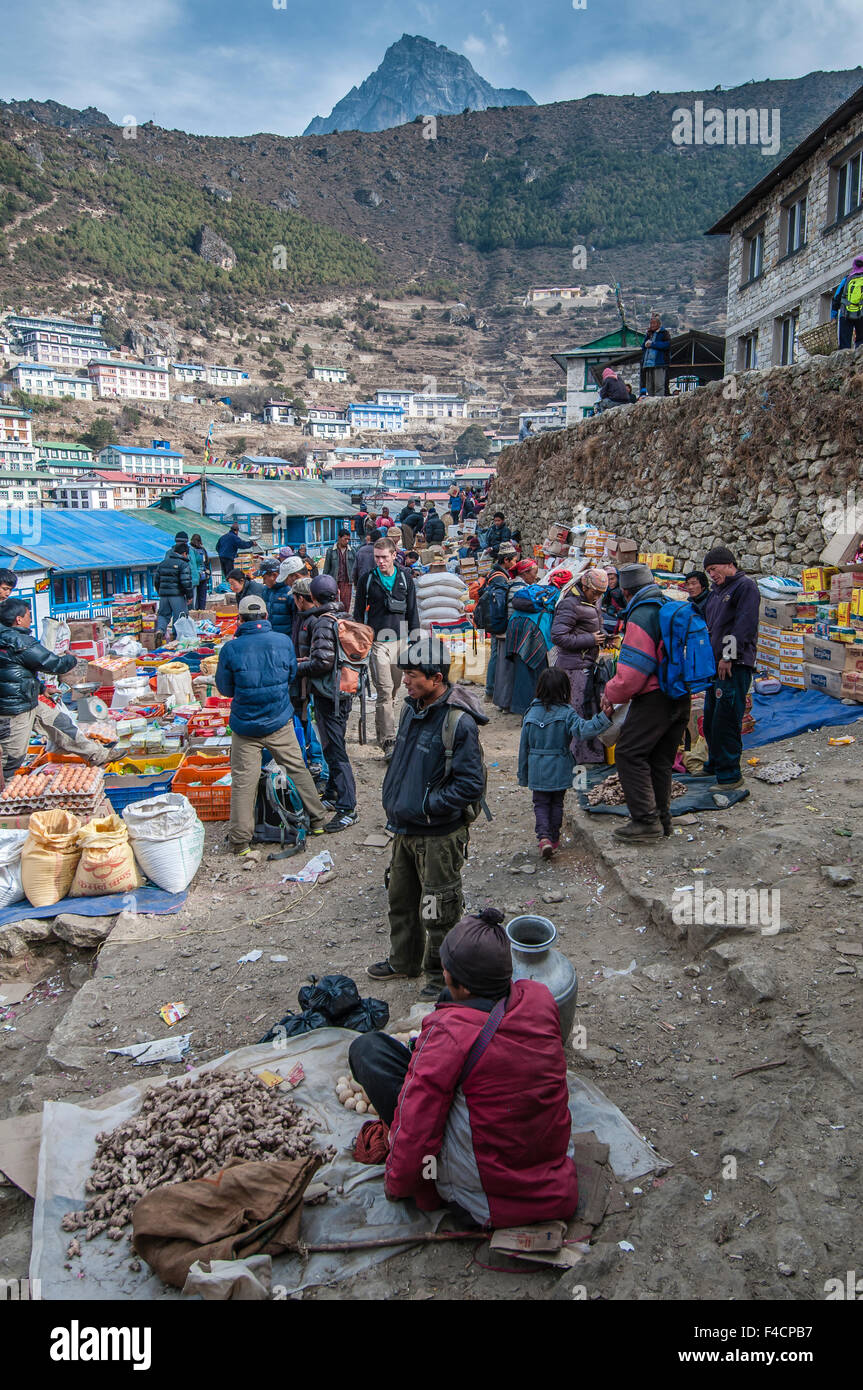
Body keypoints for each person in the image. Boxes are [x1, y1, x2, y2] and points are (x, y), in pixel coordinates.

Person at [349, 907, 578, 1226]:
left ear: (465, 986)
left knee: (368, 1050)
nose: (443, 973)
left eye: (446, 968)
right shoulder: (540, 997)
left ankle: (443, 1185)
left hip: (487, 1201)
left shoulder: (449, 1035)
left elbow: (417, 1129)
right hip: (556, 1182)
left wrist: (400, 1184)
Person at [367, 635, 487, 999]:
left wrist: (426, 805)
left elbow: (470, 785)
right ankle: (403, 961)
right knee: (401, 900)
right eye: (405, 673)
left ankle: (439, 978)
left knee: (438, 910)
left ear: (437, 679)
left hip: (438, 835)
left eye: (413, 675)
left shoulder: (457, 723)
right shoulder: (411, 708)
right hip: (405, 828)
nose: (405, 680)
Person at [215, 595, 327, 853]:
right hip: (279, 720)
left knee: (244, 781)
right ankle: (318, 820)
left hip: (245, 726)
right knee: (297, 768)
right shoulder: (282, 641)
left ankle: (241, 840)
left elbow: (225, 689)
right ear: (266, 617)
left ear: (239, 620)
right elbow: (290, 674)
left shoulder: (231, 649)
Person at [600, 562, 690, 842]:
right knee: (660, 760)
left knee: (629, 753)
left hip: (654, 698)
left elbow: (633, 673)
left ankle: (645, 821)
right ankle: (663, 819)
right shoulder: (668, 605)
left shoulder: (642, 614)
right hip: (680, 694)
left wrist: (610, 693)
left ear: (625, 591)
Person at [0, 599, 112, 776]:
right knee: (12, 757)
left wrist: (40, 687)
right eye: (29, 614)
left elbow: (15, 672)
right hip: (14, 708)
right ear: (18, 619)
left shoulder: (8, 639)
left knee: (61, 723)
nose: (31, 619)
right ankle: (5, 790)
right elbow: (54, 664)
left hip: (27, 699)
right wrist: (72, 658)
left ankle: (99, 755)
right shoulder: (17, 641)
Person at [518, 667, 611, 859]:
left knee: (541, 803)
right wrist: (604, 717)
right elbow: (584, 731)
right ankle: (554, 838)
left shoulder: (530, 714)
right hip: (559, 765)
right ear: (564, 689)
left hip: (537, 767)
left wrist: (523, 775)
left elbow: (523, 748)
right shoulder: (567, 713)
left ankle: (543, 837)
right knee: (556, 803)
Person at [296, 574, 359, 832]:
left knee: (335, 749)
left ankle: (348, 807)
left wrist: (299, 667)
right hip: (345, 690)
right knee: (333, 742)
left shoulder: (323, 622)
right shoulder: (347, 617)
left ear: (312, 597)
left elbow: (322, 662)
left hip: (329, 694)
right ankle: (333, 793)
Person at [353, 537, 420, 758]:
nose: (380, 561)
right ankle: (389, 740)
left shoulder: (405, 577)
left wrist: (415, 640)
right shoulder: (367, 580)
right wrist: (360, 641)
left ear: (394, 555)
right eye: (377, 557)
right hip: (378, 642)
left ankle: (383, 730)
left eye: (384, 557)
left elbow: (412, 610)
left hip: (400, 641)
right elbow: (358, 611)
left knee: (393, 691)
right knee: (384, 689)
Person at [702, 546, 759, 793]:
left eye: (713, 569)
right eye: (708, 572)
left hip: (733, 665)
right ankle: (714, 764)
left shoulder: (745, 587)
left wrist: (728, 656)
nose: (711, 575)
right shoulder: (717, 592)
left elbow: (743, 625)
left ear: (728, 564)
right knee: (711, 718)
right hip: (716, 666)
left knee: (726, 720)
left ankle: (730, 776)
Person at [549, 567, 609, 764]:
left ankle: (587, 754)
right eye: (595, 592)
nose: (598, 597)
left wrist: (603, 638)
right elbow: (558, 636)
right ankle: (574, 755)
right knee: (575, 711)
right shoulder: (569, 605)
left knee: (585, 708)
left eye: (601, 594)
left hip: (585, 663)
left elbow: (592, 626)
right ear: (585, 586)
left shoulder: (591, 601)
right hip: (572, 666)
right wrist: (590, 639)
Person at [154, 537, 193, 638]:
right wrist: (189, 596)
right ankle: (177, 637)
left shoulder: (162, 564)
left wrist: (160, 592)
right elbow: (186, 582)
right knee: (179, 616)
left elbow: (156, 581)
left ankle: (160, 630)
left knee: (163, 614)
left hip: (163, 596)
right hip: (177, 595)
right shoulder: (183, 564)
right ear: (184, 553)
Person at [262, 556, 303, 638]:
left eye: (265, 578)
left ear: (274, 575)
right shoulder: (265, 590)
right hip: (270, 636)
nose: (263, 582)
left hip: (287, 637)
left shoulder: (289, 592)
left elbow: (297, 619)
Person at [831, 253, 863, 351]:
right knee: (861, 341)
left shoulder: (847, 279)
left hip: (845, 314)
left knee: (844, 344)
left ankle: (845, 362)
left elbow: (836, 298)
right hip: (861, 313)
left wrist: (833, 316)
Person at [323, 529, 357, 612]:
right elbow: (326, 568)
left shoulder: (352, 551)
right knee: (334, 603)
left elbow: (355, 567)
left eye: (348, 539)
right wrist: (324, 581)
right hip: (334, 581)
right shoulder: (331, 551)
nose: (347, 541)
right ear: (339, 537)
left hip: (347, 581)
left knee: (346, 604)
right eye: (345, 539)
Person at [641, 314, 671, 396]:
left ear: (659, 324)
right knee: (649, 386)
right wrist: (646, 343)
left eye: (654, 323)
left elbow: (667, 345)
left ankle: (658, 401)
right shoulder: (649, 334)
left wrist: (653, 344)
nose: (652, 325)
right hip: (648, 364)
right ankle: (651, 402)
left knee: (659, 385)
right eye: (651, 323)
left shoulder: (664, 333)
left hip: (659, 363)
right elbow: (643, 346)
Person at [601, 565, 627, 633]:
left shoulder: (619, 592)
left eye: (612, 579)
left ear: (618, 578)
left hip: (621, 621)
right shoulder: (608, 591)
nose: (610, 582)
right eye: (607, 579)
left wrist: (616, 613)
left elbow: (627, 609)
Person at [189, 534, 210, 610]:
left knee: (195, 597)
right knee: (202, 597)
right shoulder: (203, 550)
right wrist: (207, 573)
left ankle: (195, 611)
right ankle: (202, 611)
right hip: (203, 576)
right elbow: (207, 562)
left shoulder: (189, 550)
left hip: (194, 576)